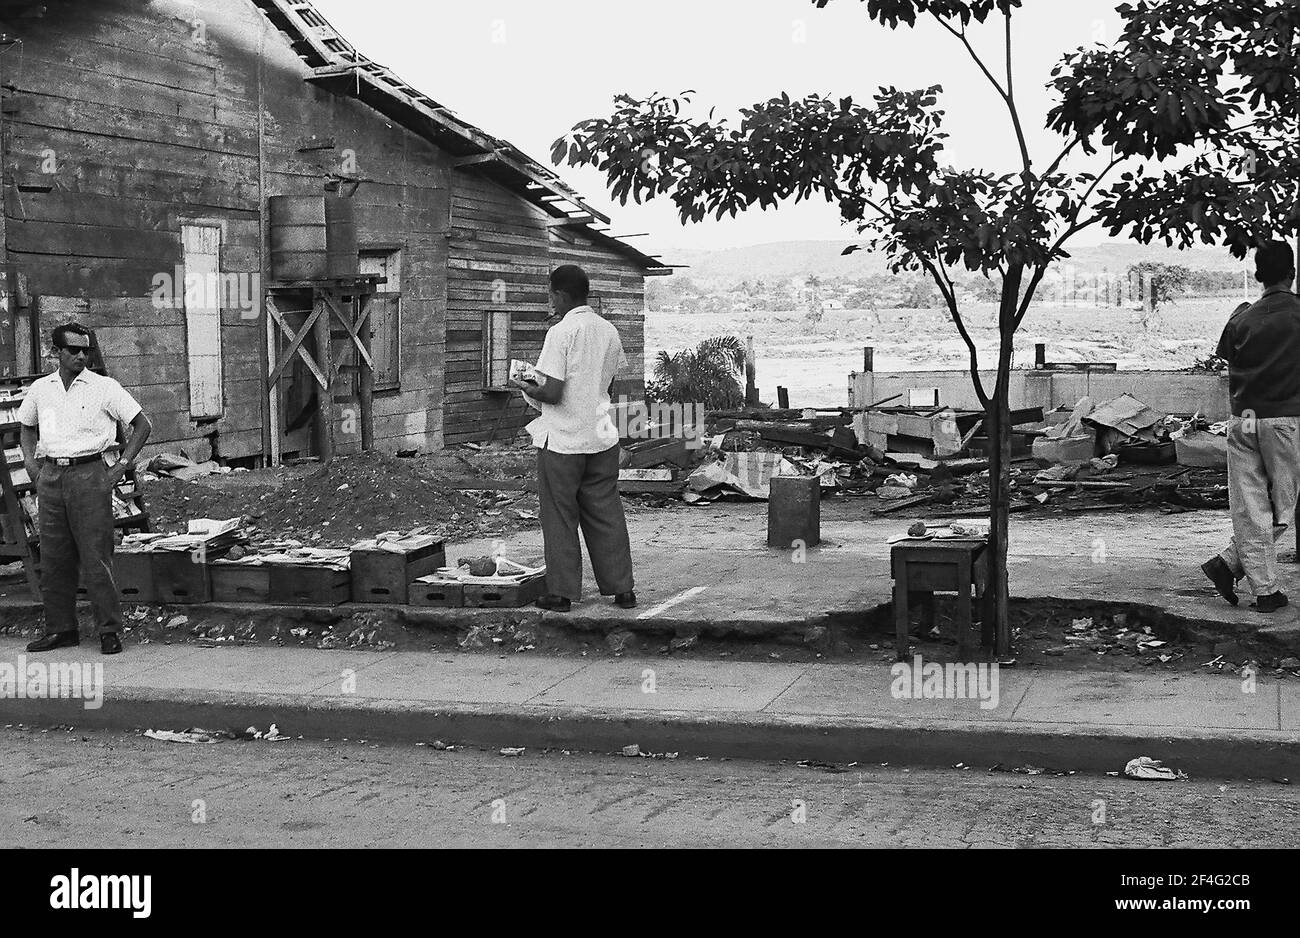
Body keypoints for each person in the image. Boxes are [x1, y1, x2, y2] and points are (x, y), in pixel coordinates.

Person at [17, 323, 152, 654]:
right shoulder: (41, 388)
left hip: (91, 475)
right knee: (54, 559)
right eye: (74, 350)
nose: (81, 356)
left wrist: (120, 467)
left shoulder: (104, 387)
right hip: (51, 476)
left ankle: (108, 630)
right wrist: (34, 469)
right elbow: (26, 428)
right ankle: (61, 630)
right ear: (56, 352)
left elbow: (141, 425)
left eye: (86, 350)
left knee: (96, 556)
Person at [509, 265, 636, 612]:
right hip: (601, 437)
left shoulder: (561, 332)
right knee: (606, 512)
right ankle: (622, 589)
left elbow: (552, 391)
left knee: (560, 515)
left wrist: (524, 383)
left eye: (551, 293)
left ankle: (562, 593)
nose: (549, 300)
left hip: (564, 440)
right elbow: (608, 384)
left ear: (561, 295)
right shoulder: (608, 330)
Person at [1202, 241, 1300, 613]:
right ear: (1291, 273)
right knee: (1281, 507)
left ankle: (1241, 573)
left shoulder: (1241, 317)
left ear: (1258, 275)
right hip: (1285, 419)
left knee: (1249, 505)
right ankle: (1236, 569)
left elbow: (1225, 354)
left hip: (1243, 418)